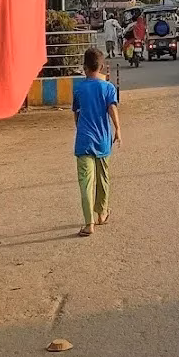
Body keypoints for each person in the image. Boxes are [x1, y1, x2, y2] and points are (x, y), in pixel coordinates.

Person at [72, 47, 120, 237]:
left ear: (84, 67)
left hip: (84, 141)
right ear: (101, 67)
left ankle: (88, 223)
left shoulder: (79, 89)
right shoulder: (108, 88)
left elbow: (76, 115)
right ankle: (102, 213)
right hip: (102, 141)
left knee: (86, 183)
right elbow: (112, 109)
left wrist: (81, 128)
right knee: (103, 178)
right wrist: (118, 129)